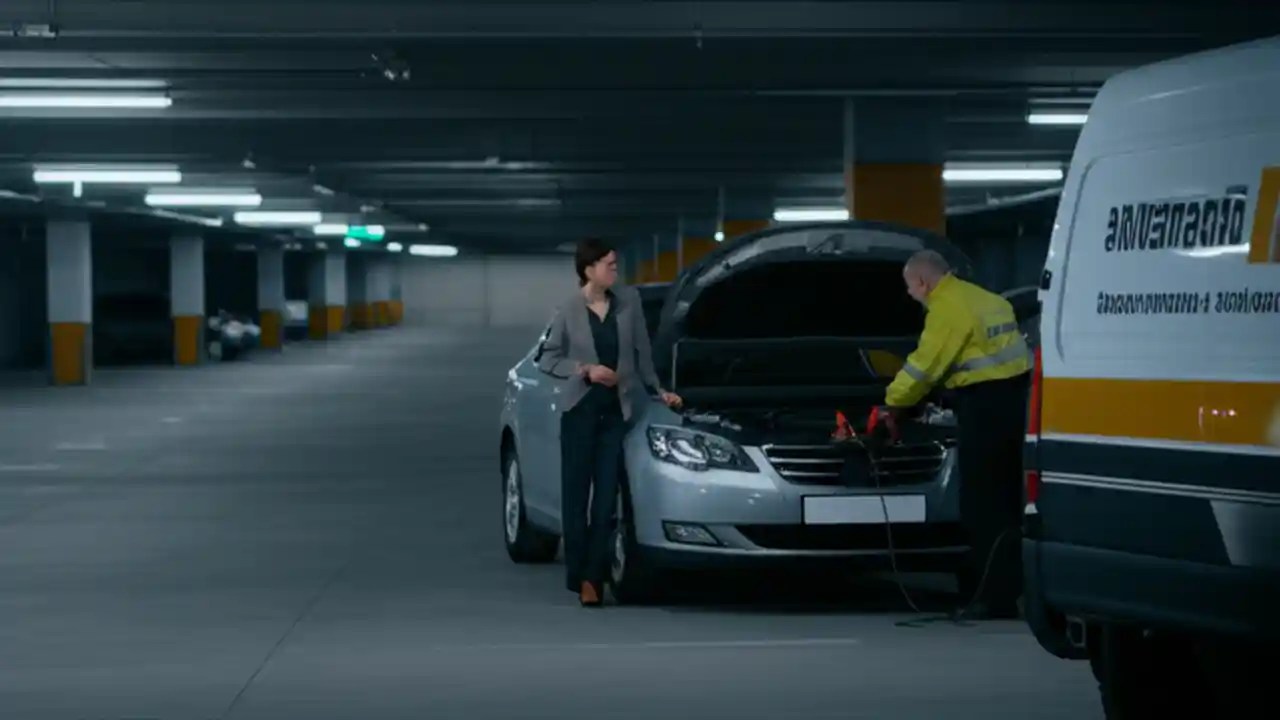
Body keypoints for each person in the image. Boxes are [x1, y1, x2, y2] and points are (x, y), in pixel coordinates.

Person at [884, 249, 1033, 619]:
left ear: (922, 281)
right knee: (1010, 502)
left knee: (981, 505)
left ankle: (989, 598)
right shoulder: (988, 299)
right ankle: (1012, 590)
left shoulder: (948, 309)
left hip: (985, 410)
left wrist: (892, 405)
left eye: (908, 287)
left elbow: (924, 367)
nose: (909, 295)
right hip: (1018, 404)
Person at [537, 238, 683, 607]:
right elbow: (548, 358)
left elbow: (643, 354)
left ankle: (593, 578)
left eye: (615, 264)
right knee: (576, 500)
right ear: (589, 270)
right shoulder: (568, 309)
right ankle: (578, 574)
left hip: (616, 414)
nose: (615, 270)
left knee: (605, 501)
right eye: (608, 264)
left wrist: (659, 389)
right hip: (580, 413)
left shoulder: (628, 302)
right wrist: (584, 370)